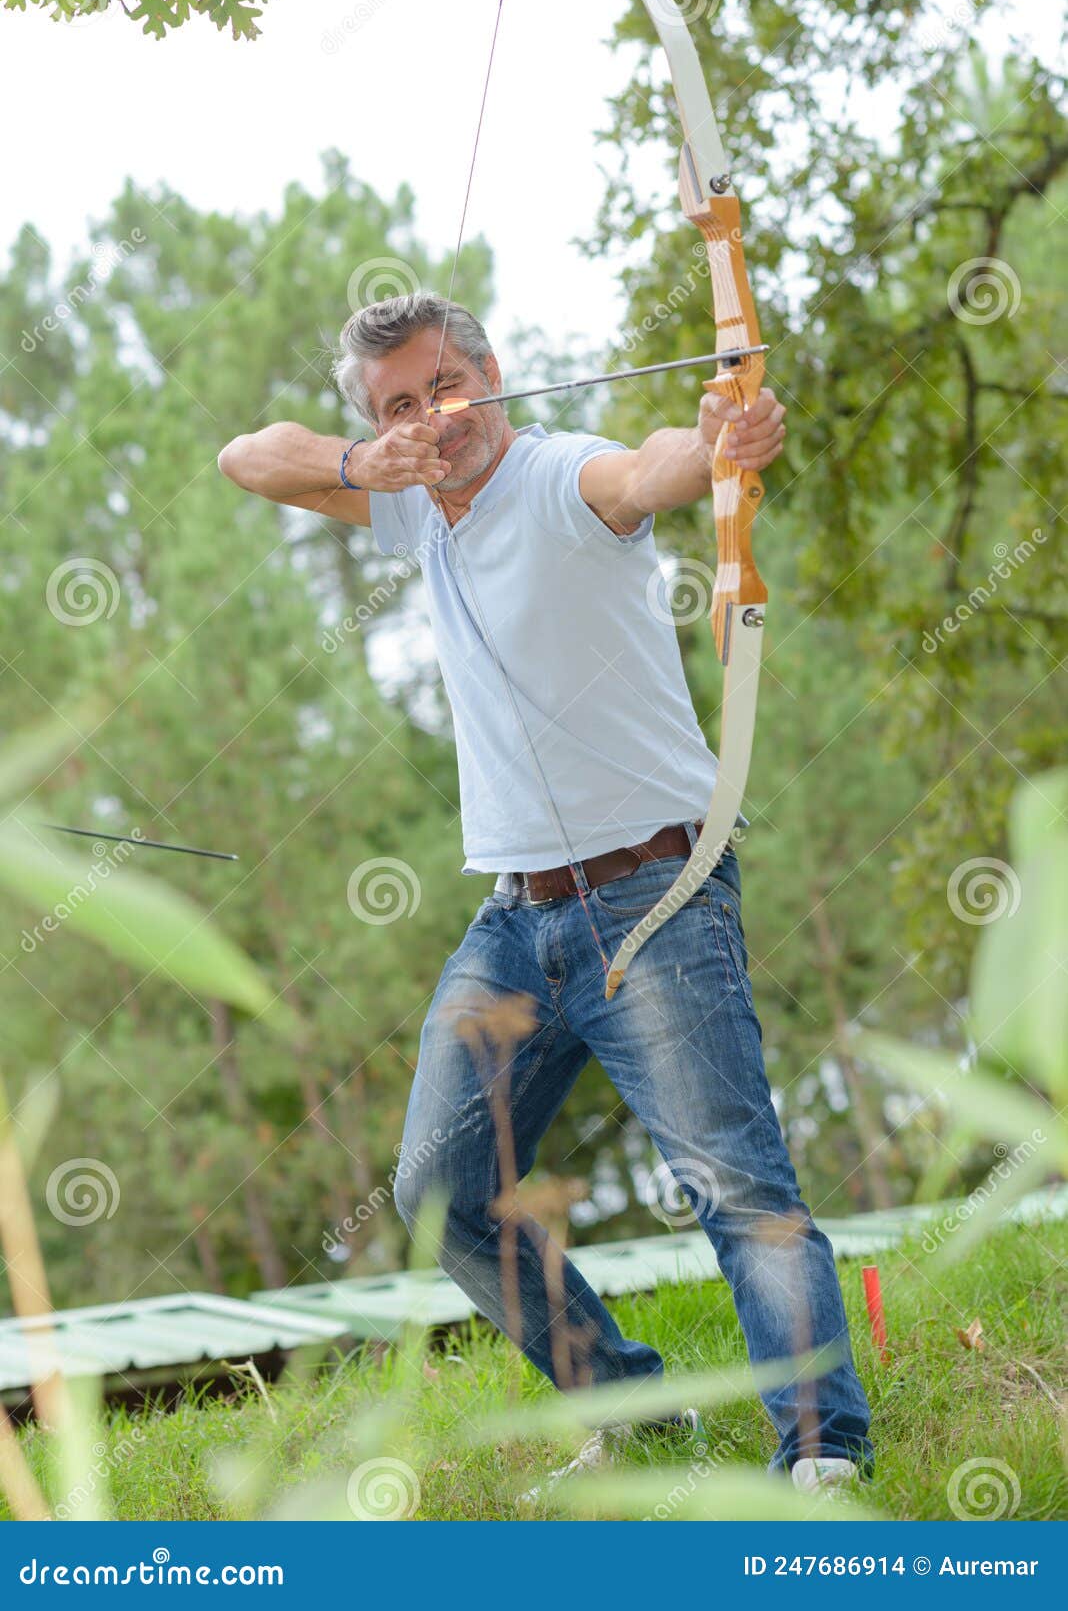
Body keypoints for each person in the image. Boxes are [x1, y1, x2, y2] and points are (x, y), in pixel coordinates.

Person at [219, 293, 873, 1497]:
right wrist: (372, 460)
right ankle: (630, 1404)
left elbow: (649, 473)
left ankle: (823, 1448)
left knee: (737, 1184)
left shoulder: (563, 475)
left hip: (652, 900)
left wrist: (720, 442)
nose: (434, 418)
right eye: (401, 404)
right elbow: (246, 456)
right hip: (515, 920)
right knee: (438, 1188)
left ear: (494, 374)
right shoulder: (411, 510)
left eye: (445, 386)